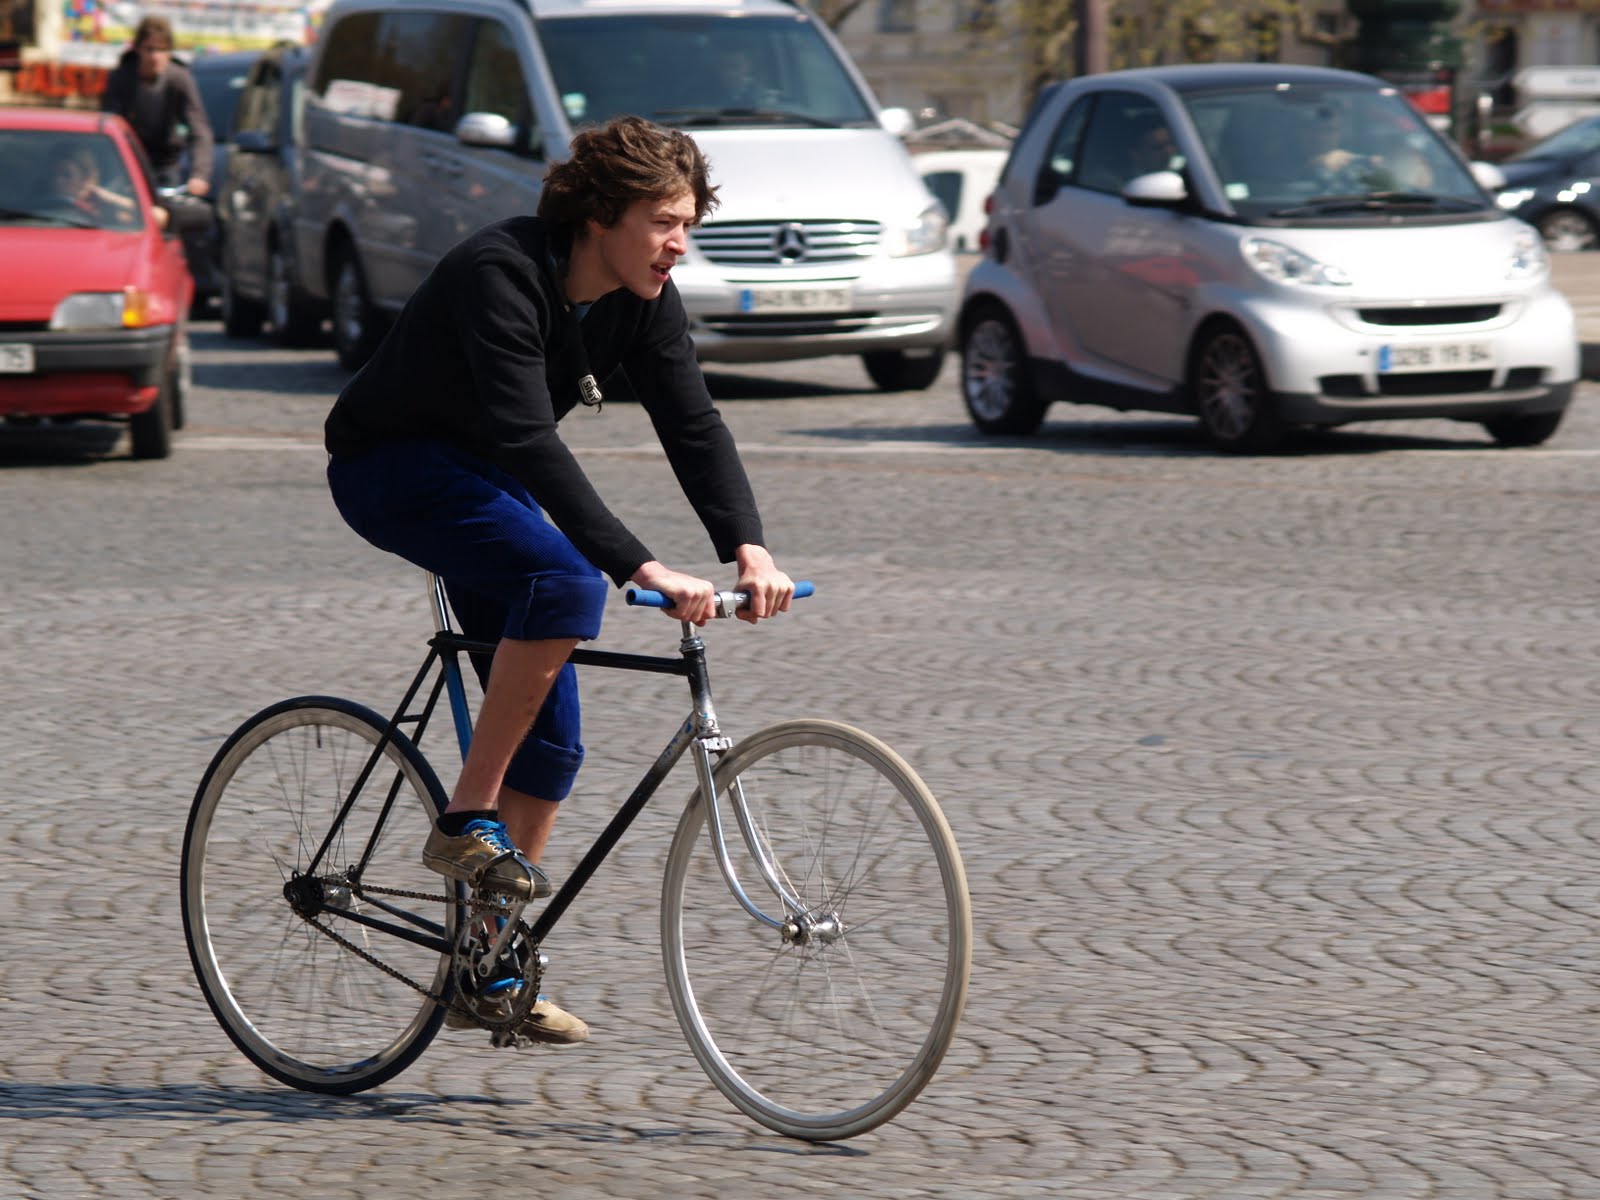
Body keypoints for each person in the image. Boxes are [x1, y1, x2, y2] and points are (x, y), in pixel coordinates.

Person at [324, 115, 794, 1046]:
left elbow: (693, 426)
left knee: (557, 741)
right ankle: (465, 818)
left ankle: (486, 966)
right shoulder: (499, 274)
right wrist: (641, 564)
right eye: (663, 220)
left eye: (687, 221)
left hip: (484, 475)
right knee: (572, 582)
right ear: (598, 217)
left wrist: (751, 547)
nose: (679, 243)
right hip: (390, 465)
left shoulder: (642, 299)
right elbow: (529, 442)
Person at [99, 15, 213, 198]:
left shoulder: (179, 79)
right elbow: (109, 124)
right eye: (149, 49)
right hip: (127, 163)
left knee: (170, 214)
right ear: (137, 49)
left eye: (161, 50)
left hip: (165, 165)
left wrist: (199, 175)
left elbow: (199, 130)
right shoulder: (122, 78)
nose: (155, 57)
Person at [37, 143, 136, 226]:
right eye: (52, 173)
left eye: (67, 175)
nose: (57, 180)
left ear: (85, 179)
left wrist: (111, 199)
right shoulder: (30, 208)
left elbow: (144, 216)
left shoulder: (99, 211)